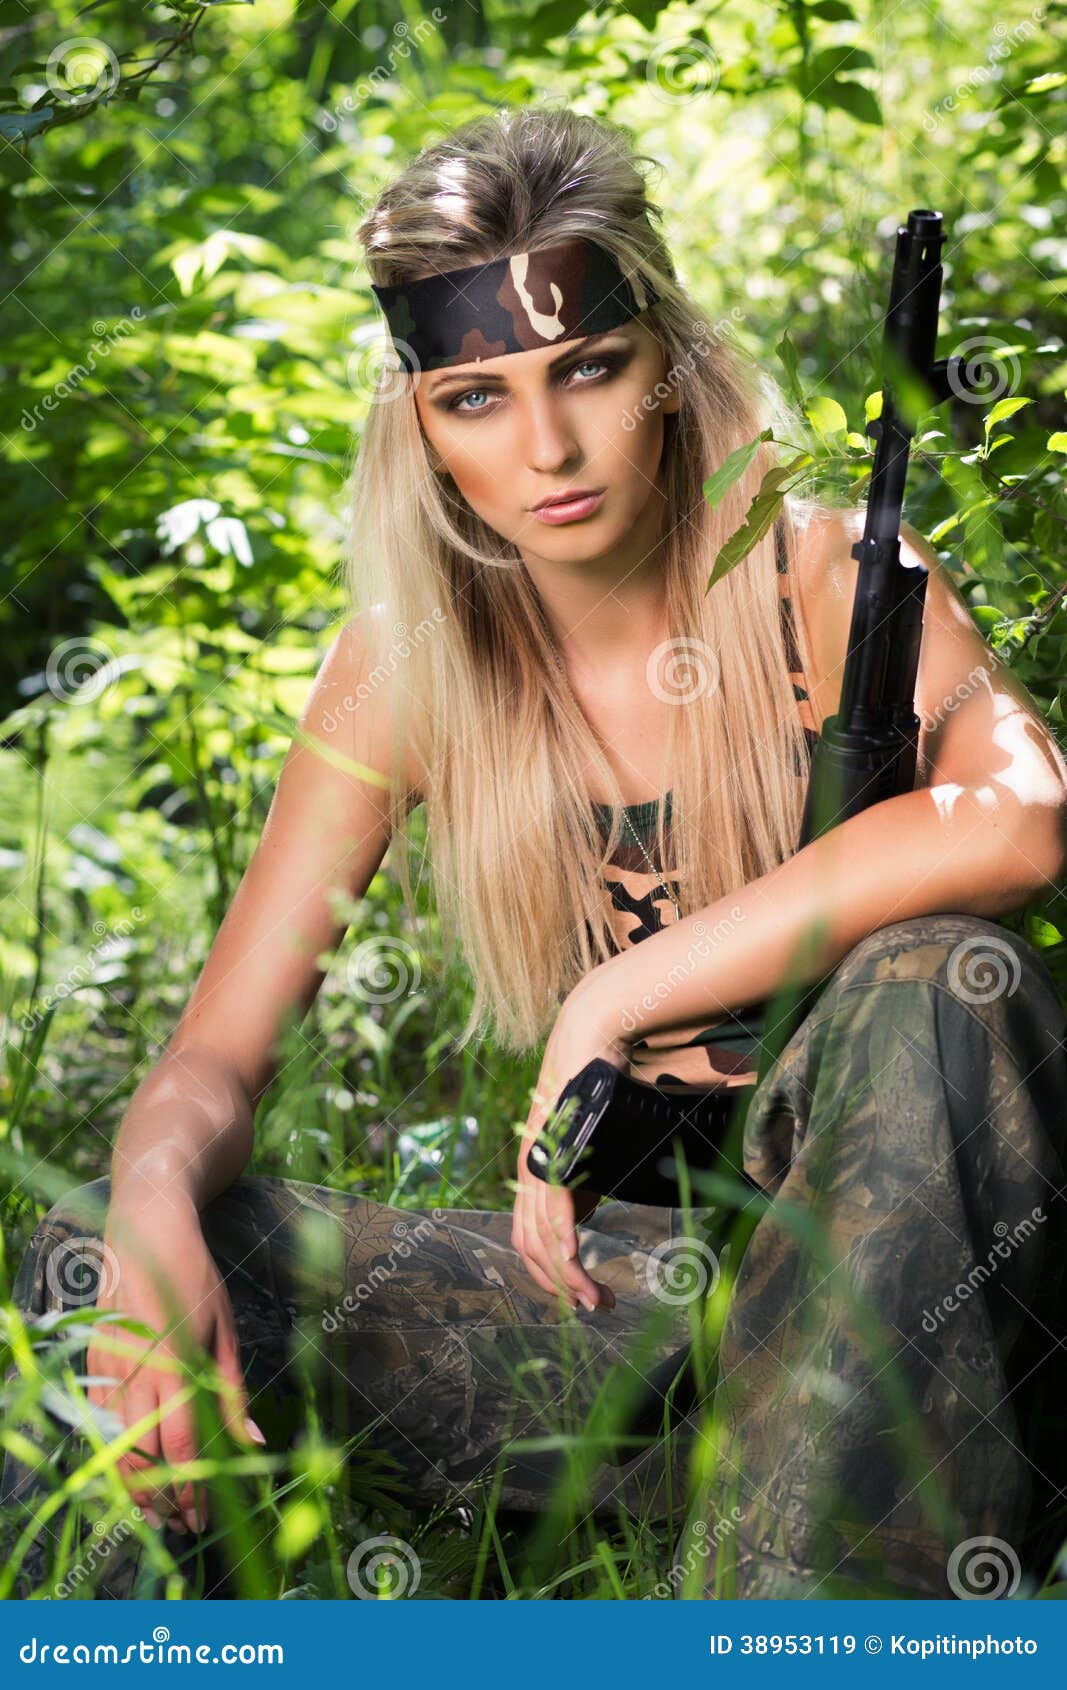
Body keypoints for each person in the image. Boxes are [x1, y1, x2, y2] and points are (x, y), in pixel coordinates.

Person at [4, 105, 1067, 1602]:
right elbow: (216, 1064)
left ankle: (805, 1618)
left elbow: (1024, 814)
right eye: (477, 397)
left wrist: (616, 993)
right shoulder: (403, 673)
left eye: (589, 368)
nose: (547, 445)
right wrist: (150, 1201)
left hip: (902, 1305)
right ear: (421, 424)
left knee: (943, 981)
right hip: (619, 1300)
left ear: (669, 362)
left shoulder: (822, 574)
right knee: (94, 1258)